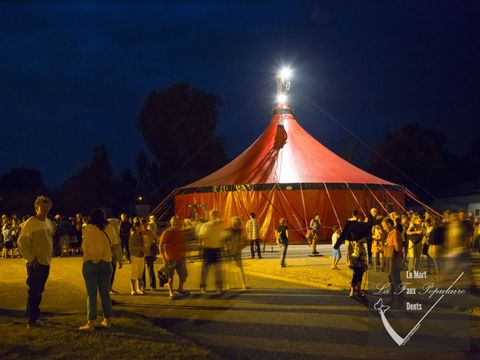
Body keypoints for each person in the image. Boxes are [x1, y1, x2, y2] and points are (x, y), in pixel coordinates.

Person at [79, 208, 120, 330]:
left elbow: (84, 246)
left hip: (89, 264)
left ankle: (91, 322)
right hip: (105, 263)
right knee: (105, 293)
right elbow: (115, 244)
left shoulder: (87, 229)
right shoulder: (109, 228)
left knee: (91, 294)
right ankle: (108, 319)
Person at [17, 195, 54, 328]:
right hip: (36, 264)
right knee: (35, 292)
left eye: (47, 207)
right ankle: (32, 320)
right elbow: (21, 242)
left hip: (46, 262)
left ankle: (32, 317)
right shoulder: (31, 222)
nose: (45, 209)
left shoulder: (48, 222)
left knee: (38, 291)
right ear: (36, 208)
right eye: (42, 207)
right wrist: (31, 258)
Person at [160, 216, 189, 299]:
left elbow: (183, 245)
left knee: (184, 275)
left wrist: (185, 255)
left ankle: (180, 288)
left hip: (180, 258)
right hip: (170, 259)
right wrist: (163, 258)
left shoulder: (180, 232)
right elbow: (160, 245)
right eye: (173, 222)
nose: (175, 223)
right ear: (171, 223)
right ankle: (171, 292)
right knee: (170, 277)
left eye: (176, 221)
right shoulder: (167, 232)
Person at [198, 209, 225, 294]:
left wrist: (223, 249)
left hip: (217, 249)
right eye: (212, 214)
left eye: (215, 214)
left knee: (218, 271)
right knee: (205, 270)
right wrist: (200, 249)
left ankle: (218, 287)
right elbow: (201, 237)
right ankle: (203, 286)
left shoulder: (220, 226)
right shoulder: (205, 225)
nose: (214, 216)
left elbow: (222, 238)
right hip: (208, 249)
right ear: (210, 216)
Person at [382, 218, 404, 307]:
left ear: (389, 224)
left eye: (384, 226)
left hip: (395, 260)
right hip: (391, 260)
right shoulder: (390, 233)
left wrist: (387, 247)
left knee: (396, 281)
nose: (384, 228)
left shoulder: (395, 233)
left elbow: (397, 248)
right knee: (392, 281)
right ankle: (393, 300)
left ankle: (398, 302)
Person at [224, 216, 248, 290]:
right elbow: (224, 240)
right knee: (228, 269)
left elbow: (246, 241)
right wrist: (225, 248)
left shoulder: (240, 231)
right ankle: (229, 285)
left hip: (236, 252)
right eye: (235, 223)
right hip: (229, 251)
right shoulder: (228, 230)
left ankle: (243, 285)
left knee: (240, 268)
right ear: (232, 223)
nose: (236, 225)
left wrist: (241, 247)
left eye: (237, 224)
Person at [129, 218, 145, 295]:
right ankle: (133, 289)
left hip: (141, 255)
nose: (142, 228)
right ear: (136, 227)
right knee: (134, 273)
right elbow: (130, 247)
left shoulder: (141, 235)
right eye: (141, 227)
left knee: (140, 272)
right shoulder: (133, 235)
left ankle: (139, 288)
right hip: (135, 255)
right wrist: (139, 248)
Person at [141, 217, 157, 291]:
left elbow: (155, 239)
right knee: (142, 271)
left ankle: (153, 286)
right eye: (142, 225)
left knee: (150, 270)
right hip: (141, 254)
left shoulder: (150, 232)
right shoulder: (139, 233)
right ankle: (143, 285)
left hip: (150, 253)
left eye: (144, 224)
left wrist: (153, 245)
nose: (144, 226)